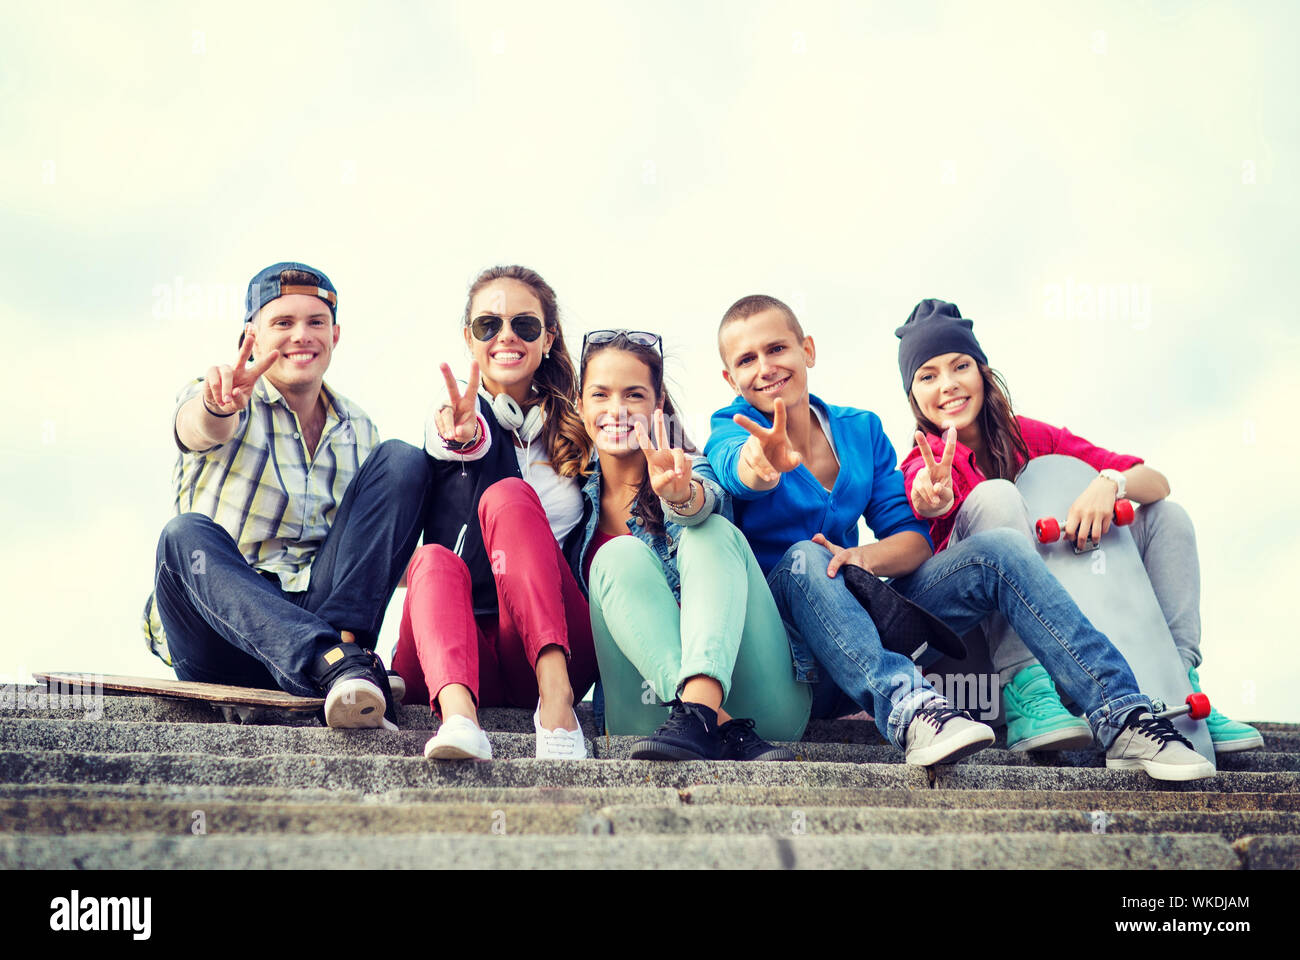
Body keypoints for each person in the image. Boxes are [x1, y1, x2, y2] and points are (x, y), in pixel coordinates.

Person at [703, 294, 1216, 780]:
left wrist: (861, 556)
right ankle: (912, 711)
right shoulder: (730, 429)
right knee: (806, 558)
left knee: (1001, 549)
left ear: (807, 349)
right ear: (730, 377)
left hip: (861, 628)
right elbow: (736, 468)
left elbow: (914, 542)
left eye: (776, 348)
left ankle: (1122, 715)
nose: (765, 367)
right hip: (790, 655)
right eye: (747, 360)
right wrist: (760, 463)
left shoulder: (860, 429)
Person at [896, 297, 1263, 754]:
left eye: (960, 366)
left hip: (1065, 632)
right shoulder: (921, 460)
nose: (947, 385)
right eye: (927, 376)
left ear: (983, 372)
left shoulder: (1028, 436)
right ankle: (1026, 691)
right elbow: (923, 494)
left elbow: (1157, 482)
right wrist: (933, 497)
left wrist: (1109, 482)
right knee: (998, 496)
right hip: (973, 649)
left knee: (1166, 517)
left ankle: (1179, 687)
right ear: (913, 397)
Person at [142, 262, 430, 730]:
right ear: (249, 339)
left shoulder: (358, 428)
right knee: (181, 535)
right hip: (222, 632)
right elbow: (196, 426)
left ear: (335, 335)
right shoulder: (222, 395)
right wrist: (217, 406)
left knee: (402, 459)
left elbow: (368, 546)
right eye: (283, 323)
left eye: (316, 322)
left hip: (317, 610)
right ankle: (332, 661)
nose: (302, 335)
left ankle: (340, 655)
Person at [573, 330, 810, 761]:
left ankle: (701, 708)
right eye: (600, 394)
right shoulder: (567, 497)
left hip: (760, 707)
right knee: (617, 554)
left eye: (634, 394)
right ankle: (706, 719)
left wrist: (680, 496)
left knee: (713, 531)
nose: (616, 409)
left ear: (658, 405)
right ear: (580, 404)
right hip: (646, 715)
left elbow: (703, 504)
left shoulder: (690, 466)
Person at [394, 265, 597, 761]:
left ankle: (558, 704)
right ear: (469, 338)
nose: (506, 336)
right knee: (433, 560)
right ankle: (460, 721)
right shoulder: (452, 415)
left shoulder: (582, 428)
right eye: (489, 325)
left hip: (546, 646)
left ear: (548, 338)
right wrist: (463, 433)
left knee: (511, 497)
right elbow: (453, 440)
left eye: (524, 325)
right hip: (453, 644)